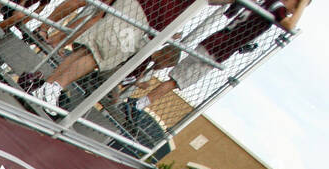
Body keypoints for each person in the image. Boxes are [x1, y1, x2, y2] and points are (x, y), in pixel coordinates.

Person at [17, 0, 233, 111]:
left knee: (90, 49)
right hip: (145, 10)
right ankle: (54, 87)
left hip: (146, 14)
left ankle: (49, 86)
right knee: (100, 54)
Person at [125, 0, 309, 112]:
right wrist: (302, 5)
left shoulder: (268, 4)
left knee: (176, 75)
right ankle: (139, 105)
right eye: (296, 6)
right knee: (177, 81)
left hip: (215, 43)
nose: (294, 11)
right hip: (218, 49)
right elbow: (291, 25)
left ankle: (136, 86)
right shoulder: (277, 6)